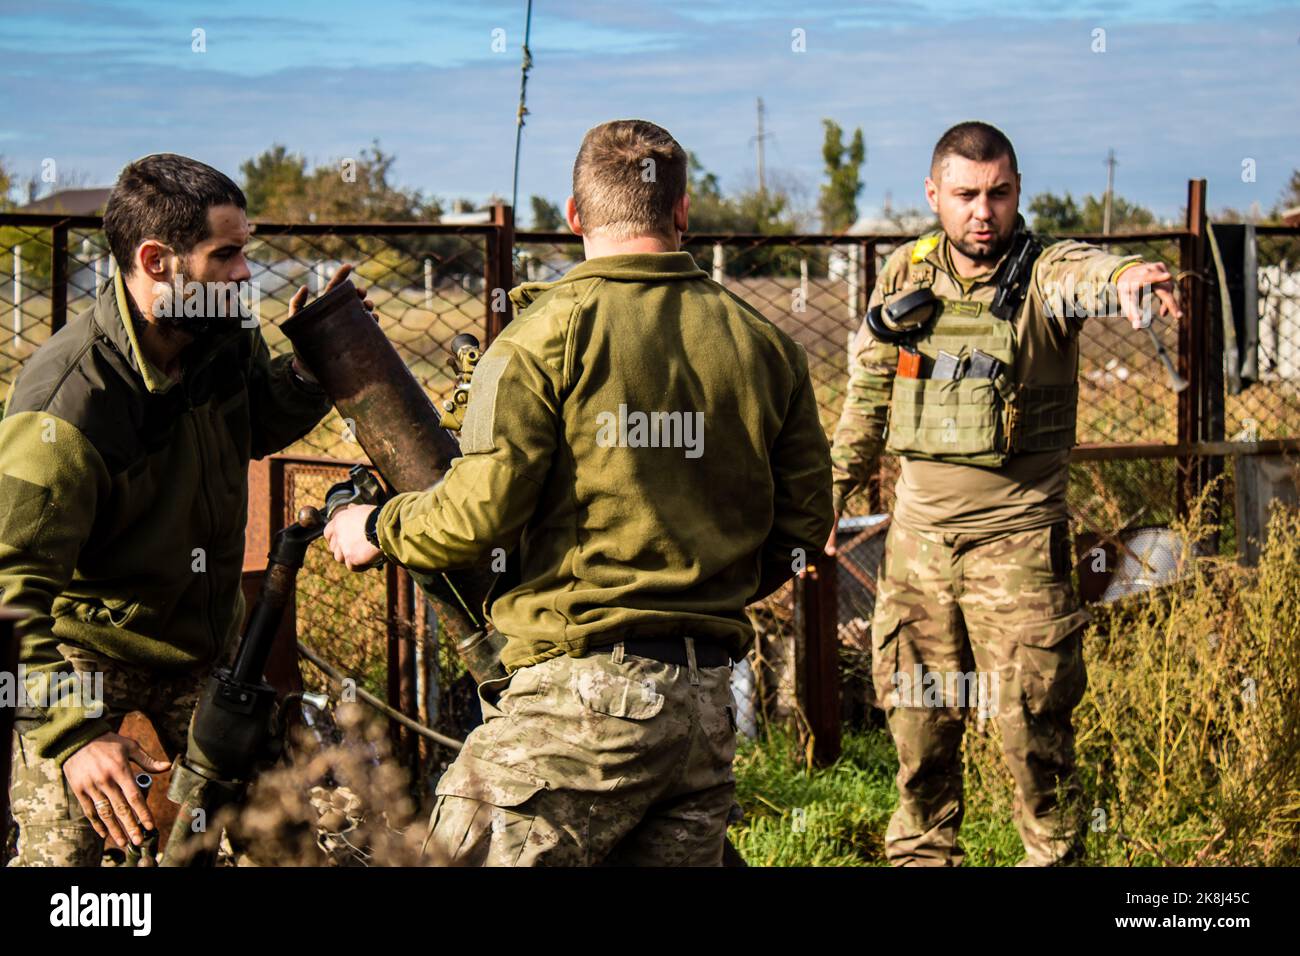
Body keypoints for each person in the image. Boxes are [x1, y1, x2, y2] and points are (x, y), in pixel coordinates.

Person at [325, 119, 833, 866]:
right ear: (683, 212)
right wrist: (694, 594)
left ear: (573, 216)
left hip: (579, 706)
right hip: (705, 708)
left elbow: (478, 512)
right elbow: (802, 528)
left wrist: (376, 527)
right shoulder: (766, 344)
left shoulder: (541, 338)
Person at [829, 121, 1180, 867]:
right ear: (934, 195)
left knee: (1032, 737)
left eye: (999, 194)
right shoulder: (904, 274)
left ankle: (1052, 857)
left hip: (1017, 546)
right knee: (918, 732)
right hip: (916, 544)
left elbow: (1087, 271)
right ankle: (924, 855)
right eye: (964, 196)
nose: (982, 212)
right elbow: (866, 397)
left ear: (1018, 192)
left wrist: (1128, 281)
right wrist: (827, 498)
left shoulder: (1043, 271)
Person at [1, 153, 362, 865]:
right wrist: (73, 737)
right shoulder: (67, 408)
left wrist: (303, 373)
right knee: (65, 869)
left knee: (294, 843)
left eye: (244, 252)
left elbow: (256, 422)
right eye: (225, 255)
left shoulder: (219, 335)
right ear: (157, 260)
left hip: (208, 648)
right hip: (87, 657)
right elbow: (10, 596)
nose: (243, 275)